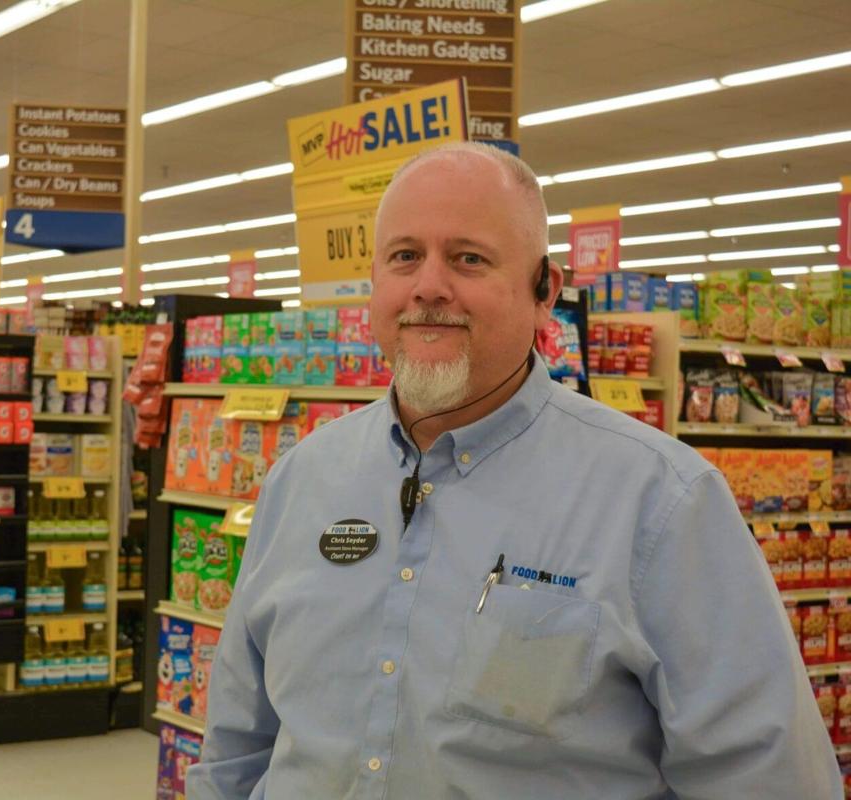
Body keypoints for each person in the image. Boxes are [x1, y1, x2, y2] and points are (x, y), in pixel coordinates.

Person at [186, 142, 840, 799]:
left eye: (468, 258)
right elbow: (236, 753)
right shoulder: (301, 479)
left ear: (544, 291)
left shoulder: (661, 501)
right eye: (404, 256)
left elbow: (769, 778)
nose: (428, 286)